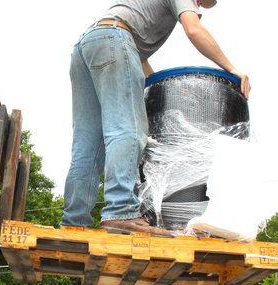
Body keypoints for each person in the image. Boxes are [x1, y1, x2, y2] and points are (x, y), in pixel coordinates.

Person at [61, 0, 250, 236]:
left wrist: (160, 87)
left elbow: (136, 60)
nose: (198, 5)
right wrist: (232, 68)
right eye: (201, 2)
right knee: (128, 130)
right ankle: (121, 212)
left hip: (88, 45)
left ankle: (75, 220)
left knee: (89, 142)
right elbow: (194, 30)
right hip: (115, 40)